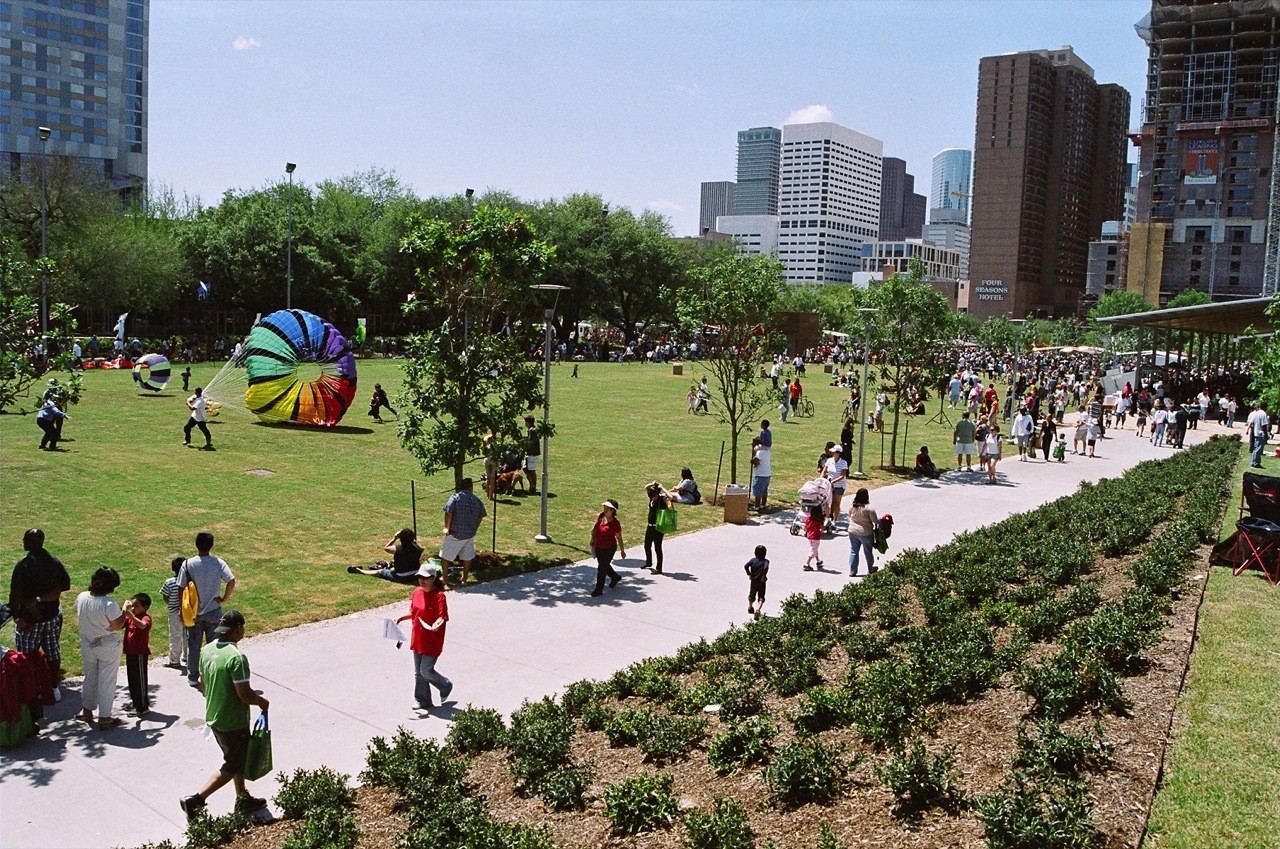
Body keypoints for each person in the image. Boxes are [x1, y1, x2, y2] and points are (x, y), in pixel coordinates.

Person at [179, 610, 270, 821]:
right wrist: (261, 702)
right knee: (233, 764)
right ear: (239, 629)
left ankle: (242, 799)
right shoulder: (237, 658)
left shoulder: (207, 650)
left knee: (236, 758)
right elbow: (245, 695)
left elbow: (202, 683)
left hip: (214, 717)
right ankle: (195, 800)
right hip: (232, 721)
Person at [8, 528, 72, 687]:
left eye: (25, 539)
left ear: (32, 543)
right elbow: (65, 586)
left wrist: (17, 617)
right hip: (51, 617)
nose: (23, 542)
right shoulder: (54, 562)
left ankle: (30, 688)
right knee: (53, 652)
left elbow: (15, 594)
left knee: (26, 656)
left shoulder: (23, 566)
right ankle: (54, 687)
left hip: (29, 621)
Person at [178, 531, 236, 688]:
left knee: (193, 645)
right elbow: (231, 580)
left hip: (193, 612)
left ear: (196, 544)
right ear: (212, 545)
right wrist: (224, 598)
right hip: (214, 610)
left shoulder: (187, 564)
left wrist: (182, 609)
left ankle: (192, 676)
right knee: (214, 645)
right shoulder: (218, 563)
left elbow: (180, 588)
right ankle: (211, 674)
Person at [394, 563, 453, 712]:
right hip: (418, 638)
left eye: (425, 578)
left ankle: (445, 685)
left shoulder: (439, 595)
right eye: (420, 577)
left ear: (433, 578)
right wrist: (401, 618)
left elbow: (443, 616)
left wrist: (437, 624)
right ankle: (422, 700)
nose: (422, 580)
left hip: (432, 640)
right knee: (417, 672)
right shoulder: (417, 592)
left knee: (425, 670)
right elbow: (415, 613)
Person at [74, 567, 126, 730]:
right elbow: (118, 625)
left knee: (89, 676)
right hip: (107, 645)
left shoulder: (82, 597)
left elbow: (77, 611)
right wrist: (125, 610)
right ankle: (104, 717)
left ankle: (87, 711)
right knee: (107, 680)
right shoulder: (109, 604)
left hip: (88, 643)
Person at [441, 478, 486, 584]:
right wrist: (474, 528)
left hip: (455, 532)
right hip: (469, 534)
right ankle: (464, 579)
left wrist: (447, 527)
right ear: (471, 487)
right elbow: (480, 516)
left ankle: (444, 579)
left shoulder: (455, 498)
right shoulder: (477, 500)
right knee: (467, 557)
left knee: (446, 556)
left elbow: (448, 512)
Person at [348, 528, 424, 584]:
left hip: (401, 576)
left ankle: (361, 571)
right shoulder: (418, 548)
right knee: (391, 564)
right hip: (415, 574)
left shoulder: (397, 549)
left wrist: (394, 538)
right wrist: (415, 541)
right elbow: (422, 548)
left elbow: (386, 548)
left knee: (381, 572)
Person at [121, 593, 152, 716]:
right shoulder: (130, 618)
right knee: (132, 680)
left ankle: (142, 707)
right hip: (130, 652)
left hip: (139, 653)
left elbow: (143, 626)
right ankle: (136, 702)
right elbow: (120, 622)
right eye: (132, 606)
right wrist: (125, 610)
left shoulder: (145, 617)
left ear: (144, 607)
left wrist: (131, 615)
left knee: (140, 680)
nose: (133, 608)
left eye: (136, 606)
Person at [589, 499, 626, 597]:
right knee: (603, 565)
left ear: (613, 510)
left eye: (607, 508)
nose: (605, 509)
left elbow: (619, 537)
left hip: (609, 548)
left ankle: (598, 589)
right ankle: (615, 577)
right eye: (604, 507)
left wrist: (622, 550)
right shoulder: (601, 516)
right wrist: (593, 539)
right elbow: (595, 528)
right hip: (598, 546)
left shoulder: (615, 524)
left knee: (601, 568)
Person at [160, 557, 187, 670]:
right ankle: (188, 656)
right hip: (188, 612)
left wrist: (172, 603)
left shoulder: (169, 582)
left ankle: (174, 660)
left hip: (174, 612)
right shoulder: (189, 582)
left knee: (175, 636)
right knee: (187, 635)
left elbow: (165, 597)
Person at [847, 488, 878, 577]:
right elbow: (875, 521)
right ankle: (870, 568)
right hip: (865, 532)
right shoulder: (869, 508)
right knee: (868, 551)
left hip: (852, 531)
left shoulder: (852, 506)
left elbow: (850, 516)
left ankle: (852, 571)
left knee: (854, 551)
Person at [644, 483, 671, 574]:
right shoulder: (652, 497)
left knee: (657, 548)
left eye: (653, 497)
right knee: (647, 545)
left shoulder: (662, 500)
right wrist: (653, 483)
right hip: (650, 526)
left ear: (657, 495)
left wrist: (662, 487)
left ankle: (659, 568)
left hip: (658, 527)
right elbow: (646, 487)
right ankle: (648, 562)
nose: (652, 499)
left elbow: (670, 496)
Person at [823, 445, 848, 528]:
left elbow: (842, 476)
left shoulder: (843, 463)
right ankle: (827, 518)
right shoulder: (829, 460)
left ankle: (834, 520)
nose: (832, 452)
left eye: (834, 451)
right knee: (826, 502)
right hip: (828, 485)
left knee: (836, 503)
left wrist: (833, 482)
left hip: (839, 486)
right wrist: (821, 479)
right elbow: (824, 471)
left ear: (838, 453)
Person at [744, 545, 769, 620]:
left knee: (752, 594)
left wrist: (749, 574)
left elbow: (746, 566)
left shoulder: (753, 560)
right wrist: (763, 576)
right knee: (761, 596)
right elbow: (766, 567)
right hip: (761, 582)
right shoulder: (766, 561)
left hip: (754, 581)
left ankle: (750, 607)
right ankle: (758, 609)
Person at [1247, 401, 1271, 468]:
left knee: (1256, 448)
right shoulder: (1263, 414)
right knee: (1258, 449)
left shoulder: (1257, 413)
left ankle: (1255, 462)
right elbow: (1263, 425)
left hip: (1256, 432)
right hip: (1260, 433)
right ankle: (1255, 463)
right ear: (1265, 407)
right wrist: (1266, 434)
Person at [751, 438, 771, 511]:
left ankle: (757, 506)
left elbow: (756, 461)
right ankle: (763, 505)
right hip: (767, 474)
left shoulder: (760, 452)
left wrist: (752, 461)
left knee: (758, 491)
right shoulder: (767, 451)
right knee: (764, 491)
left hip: (760, 474)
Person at [802, 504, 825, 571]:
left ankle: (818, 561)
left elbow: (805, 527)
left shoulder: (808, 518)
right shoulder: (819, 520)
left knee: (814, 548)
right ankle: (807, 564)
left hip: (809, 536)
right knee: (813, 550)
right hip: (816, 536)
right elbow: (822, 529)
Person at [523, 415, 541, 493]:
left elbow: (530, 442)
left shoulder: (532, 430)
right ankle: (532, 486)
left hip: (532, 453)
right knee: (529, 469)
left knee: (529, 469)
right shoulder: (533, 429)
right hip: (534, 452)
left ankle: (533, 486)